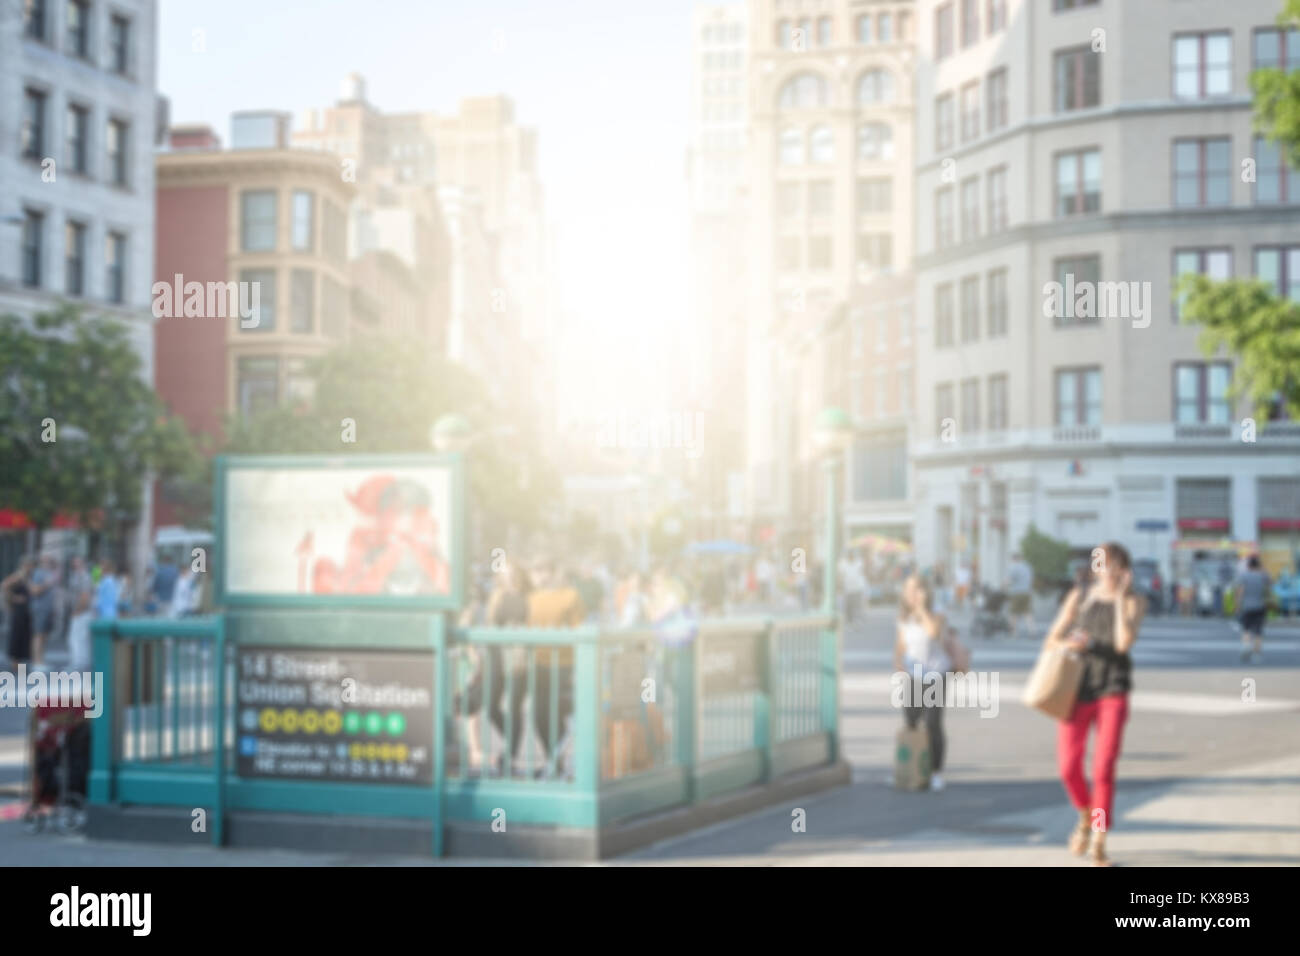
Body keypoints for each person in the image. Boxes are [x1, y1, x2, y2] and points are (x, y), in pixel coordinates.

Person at [1044, 541, 1145, 867]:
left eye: (1112, 563)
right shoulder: (1079, 596)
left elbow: (1122, 642)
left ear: (1123, 568)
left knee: (1103, 769)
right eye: (1100, 562)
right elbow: (1052, 638)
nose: (1106, 570)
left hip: (1112, 689)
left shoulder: (1133, 601)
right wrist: (1069, 640)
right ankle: (1086, 814)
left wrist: (1117, 599)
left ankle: (1099, 839)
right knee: (1068, 768)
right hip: (1077, 688)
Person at [893, 575, 958, 792]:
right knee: (911, 719)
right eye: (908, 589)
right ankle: (913, 768)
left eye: (915, 589)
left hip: (936, 673)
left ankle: (936, 772)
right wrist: (899, 664)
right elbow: (901, 644)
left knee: (932, 722)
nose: (910, 594)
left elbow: (932, 632)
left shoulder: (936, 612)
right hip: (914, 674)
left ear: (925, 592)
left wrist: (921, 609)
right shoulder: (904, 617)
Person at [526, 561, 586, 775]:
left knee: (561, 712)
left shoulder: (571, 596)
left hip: (565, 665)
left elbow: (580, 628)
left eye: (544, 570)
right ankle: (554, 760)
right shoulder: (531, 598)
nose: (541, 576)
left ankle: (563, 763)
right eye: (536, 571)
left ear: (554, 572)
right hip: (538, 665)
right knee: (539, 714)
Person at [1234, 555, 1271, 663]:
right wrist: (1262, 568)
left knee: (1246, 629)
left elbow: (1240, 591)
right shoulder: (1262, 575)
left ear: (1248, 565)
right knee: (1258, 631)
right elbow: (1270, 583)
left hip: (1246, 606)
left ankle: (1246, 646)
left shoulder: (1243, 576)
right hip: (1260, 606)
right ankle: (1257, 654)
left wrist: (1237, 606)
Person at [3, 558, 36, 666]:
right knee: (16, 636)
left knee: (24, 636)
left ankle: (19, 663)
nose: (31, 568)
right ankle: (14, 663)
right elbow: (4, 586)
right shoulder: (18, 576)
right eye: (29, 565)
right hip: (18, 611)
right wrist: (15, 598)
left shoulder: (28, 577)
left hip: (25, 611)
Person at [28, 555, 59, 667]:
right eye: (45, 559)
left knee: (44, 635)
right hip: (40, 608)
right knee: (38, 634)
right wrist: (47, 584)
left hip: (48, 609)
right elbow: (34, 591)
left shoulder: (50, 572)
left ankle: (41, 660)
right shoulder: (38, 573)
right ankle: (36, 662)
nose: (48, 561)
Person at [1005, 552, 1034, 639]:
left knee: (1014, 613)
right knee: (1027, 612)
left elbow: (1008, 580)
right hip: (1027, 592)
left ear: (1013, 559)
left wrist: (1004, 586)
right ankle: (1032, 630)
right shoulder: (1028, 567)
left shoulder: (1013, 567)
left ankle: (1013, 632)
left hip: (1016, 593)